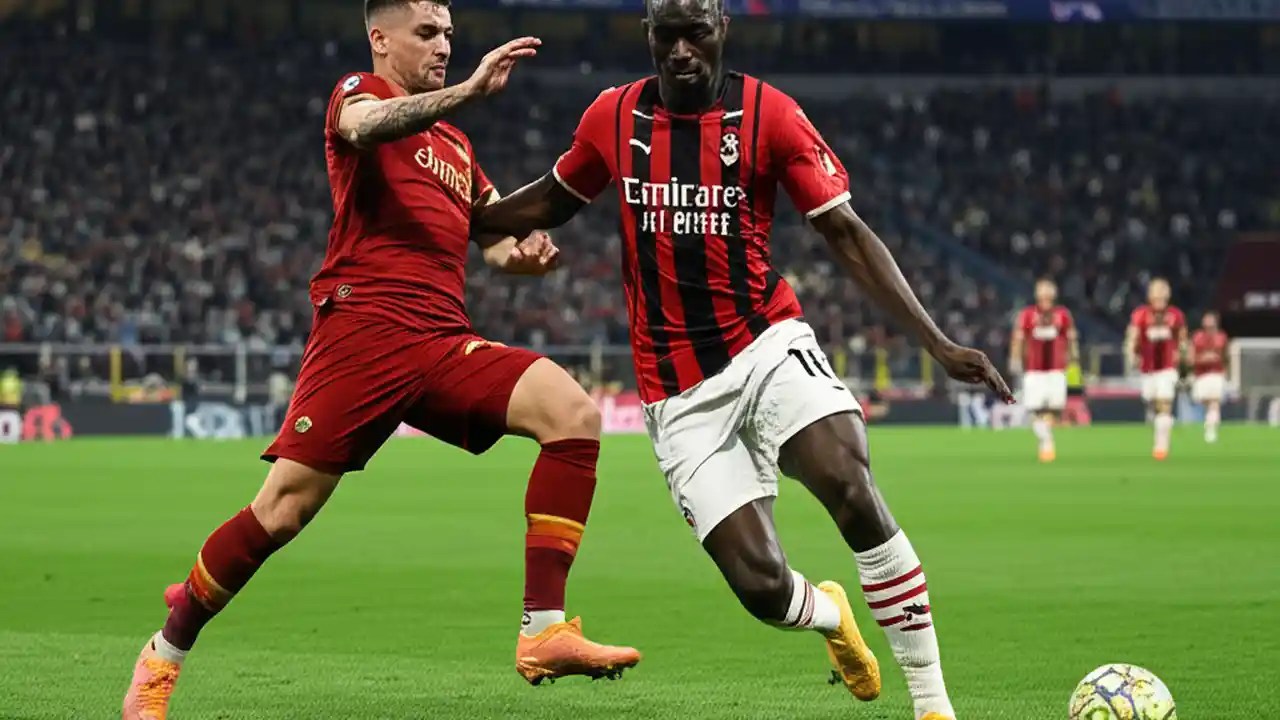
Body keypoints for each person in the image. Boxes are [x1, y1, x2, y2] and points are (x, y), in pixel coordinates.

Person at [472, 0, 1013, 716]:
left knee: (849, 482)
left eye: (696, 33)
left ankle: (933, 704)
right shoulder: (613, 117)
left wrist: (936, 342)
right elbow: (550, 200)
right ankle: (829, 614)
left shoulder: (770, 115)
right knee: (762, 587)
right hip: (677, 392)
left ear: (722, 29)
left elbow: (846, 232)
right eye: (667, 35)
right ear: (649, 36)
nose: (682, 51)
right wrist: (463, 217)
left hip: (767, 343)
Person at [121, 2, 639, 718]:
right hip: (362, 334)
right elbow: (364, 127)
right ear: (380, 39)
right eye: (427, 33)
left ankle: (543, 629)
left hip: (442, 339)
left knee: (573, 413)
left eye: (449, 34)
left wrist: (522, 256)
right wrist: (468, 91)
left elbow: (491, 240)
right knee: (282, 512)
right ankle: (163, 653)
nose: (443, 46)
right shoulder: (357, 94)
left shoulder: (457, 147)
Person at [1009, 279, 1078, 462]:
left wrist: (1073, 357)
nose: (1046, 294)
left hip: (1056, 369)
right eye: (1042, 291)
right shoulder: (1027, 314)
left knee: (1055, 409)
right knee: (1035, 410)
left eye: (1049, 291)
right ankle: (1046, 441)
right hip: (1034, 370)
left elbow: (1071, 338)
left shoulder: (1062, 315)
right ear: (1037, 294)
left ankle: (1046, 437)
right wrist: (1015, 359)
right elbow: (1018, 338)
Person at [1125, 278, 1187, 460]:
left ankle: (1161, 446)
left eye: (1163, 295)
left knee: (1164, 402)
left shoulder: (1175, 315)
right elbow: (1133, 335)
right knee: (1152, 403)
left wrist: (1182, 353)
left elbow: (1182, 337)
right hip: (1148, 368)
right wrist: (1131, 354)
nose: (1159, 298)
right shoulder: (1141, 314)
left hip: (1167, 367)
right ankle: (1158, 424)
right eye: (1156, 294)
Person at [1190, 311, 1229, 443]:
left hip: (1217, 374)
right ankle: (1210, 424)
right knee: (1207, 404)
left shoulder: (1222, 337)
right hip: (1201, 375)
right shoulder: (1197, 337)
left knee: (1214, 402)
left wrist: (1225, 372)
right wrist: (1203, 358)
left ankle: (1211, 430)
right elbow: (1191, 359)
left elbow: (1225, 357)